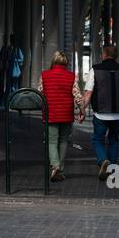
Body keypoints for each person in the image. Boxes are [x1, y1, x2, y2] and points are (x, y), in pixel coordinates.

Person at [82, 44, 119, 181]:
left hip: (100, 114)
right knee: (113, 140)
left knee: (97, 139)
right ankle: (112, 170)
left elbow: (88, 93)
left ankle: (103, 161)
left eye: (102, 53)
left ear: (105, 54)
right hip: (118, 114)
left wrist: (82, 110)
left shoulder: (95, 69)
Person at [38, 51, 80, 183]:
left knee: (51, 141)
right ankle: (59, 169)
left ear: (53, 61)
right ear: (66, 63)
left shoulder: (44, 75)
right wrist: (82, 110)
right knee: (63, 141)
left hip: (50, 113)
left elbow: (39, 93)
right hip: (66, 113)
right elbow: (77, 96)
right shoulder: (72, 76)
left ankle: (55, 166)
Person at [0, 34, 24, 109]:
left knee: (10, 87)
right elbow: (21, 60)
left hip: (9, 71)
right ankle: (9, 103)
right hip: (10, 71)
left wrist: (11, 61)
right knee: (11, 87)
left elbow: (21, 59)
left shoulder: (11, 48)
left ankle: (8, 103)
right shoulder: (12, 48)